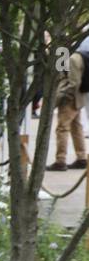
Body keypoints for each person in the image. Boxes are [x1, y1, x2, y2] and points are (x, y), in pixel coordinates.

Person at [46, 38, 87, 170]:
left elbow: (73, 82)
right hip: (76, 97)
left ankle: (60, 160)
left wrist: (62, 96)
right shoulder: (67, 55)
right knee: (76, 127)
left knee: (62, 128)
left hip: (70, 98)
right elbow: (60, 75)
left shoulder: (73, 58)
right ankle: (81, 157)